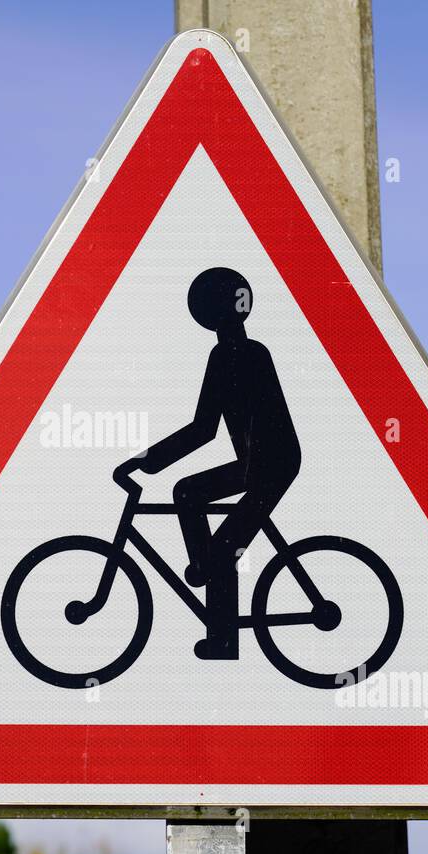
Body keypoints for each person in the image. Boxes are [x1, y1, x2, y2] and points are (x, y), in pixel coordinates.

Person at [114, 267, 301, 660]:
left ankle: (222, 636)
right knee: (187, 492)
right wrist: (148, 461)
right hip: (258, 463)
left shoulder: (239, 354)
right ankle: (204, 566)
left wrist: (147, 461)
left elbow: (203, 429)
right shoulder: (239, 353)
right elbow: (205, 428)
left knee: (221, 549)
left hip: (272, 465)